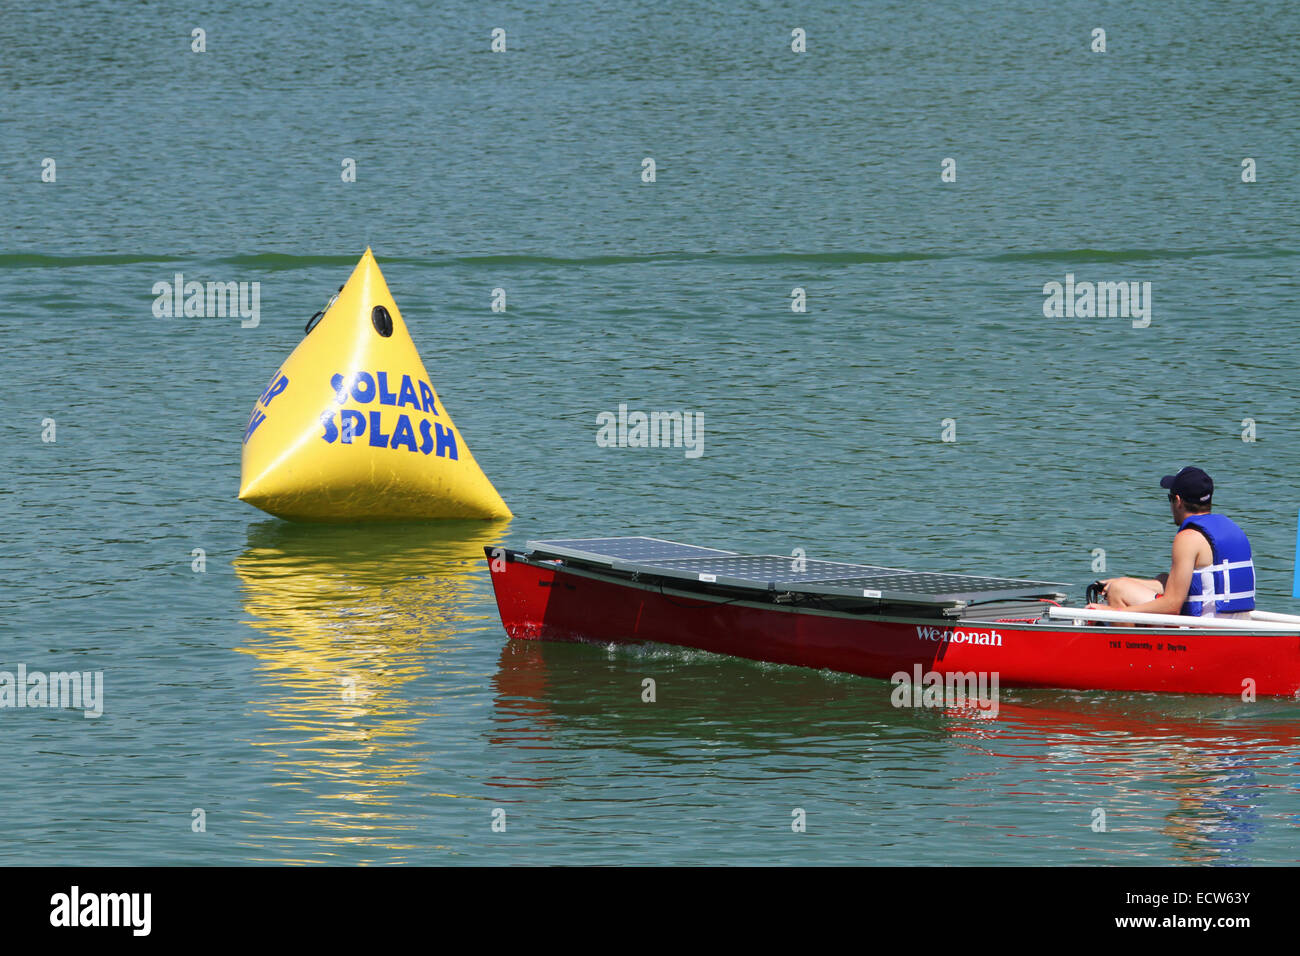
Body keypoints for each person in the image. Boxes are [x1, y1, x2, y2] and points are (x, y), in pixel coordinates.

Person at [1090, 467, 1255, 619]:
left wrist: (1114, 612)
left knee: (1119, 591)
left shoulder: (1188, 537)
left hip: (1203, 630)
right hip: (1230, 624)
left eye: (1169, 498)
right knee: (1160, 580)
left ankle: (1129, 648)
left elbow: (1172, 606)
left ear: (1178, 501)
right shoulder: (1232, 529)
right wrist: (1123, 580)